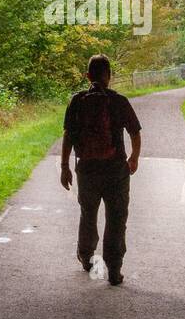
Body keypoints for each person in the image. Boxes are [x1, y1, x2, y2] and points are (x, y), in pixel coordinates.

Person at [60, 54, 142, 285]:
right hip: (116, 170)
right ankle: (114, 270)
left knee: (88, 215)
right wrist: (133, 157)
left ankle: (86, 258)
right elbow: (135, 132)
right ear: (109, 76)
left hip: (86, 170)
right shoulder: (119, 101)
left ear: (88, 76)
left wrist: (65, 166)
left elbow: (68, 136)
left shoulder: (77, 101)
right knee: (116, 218)